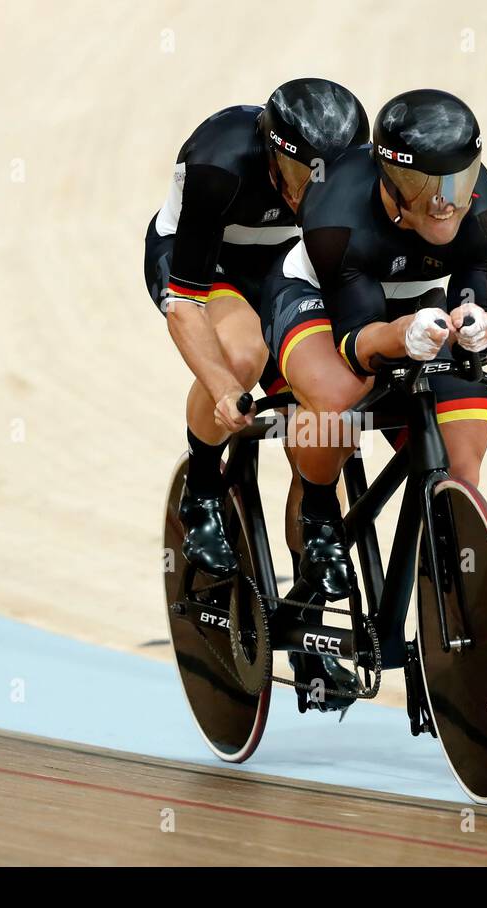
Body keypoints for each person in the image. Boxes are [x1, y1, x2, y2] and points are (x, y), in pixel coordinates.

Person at [260, 88, 487, 602]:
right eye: (424, 187)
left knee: (461, 465)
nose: (444, 202)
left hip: (416, 304)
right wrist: (403, 334)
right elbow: (357, 343)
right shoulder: (337, 217)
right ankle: (318, 513)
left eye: (458, 181)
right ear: (390, 180)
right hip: (320, 298)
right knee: (336, 399)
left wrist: (482, 329)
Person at [144, 79, 369, 580]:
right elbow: (184, 304)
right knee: (242, 356)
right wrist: (224, 387)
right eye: (295, 172)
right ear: (269, 151)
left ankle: (306, 612)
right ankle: (201, 491)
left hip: (281, 271)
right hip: (208, 266)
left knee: (318, 428)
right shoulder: (218, 161)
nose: (307, 190)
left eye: (326, 178)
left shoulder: (359, 174)